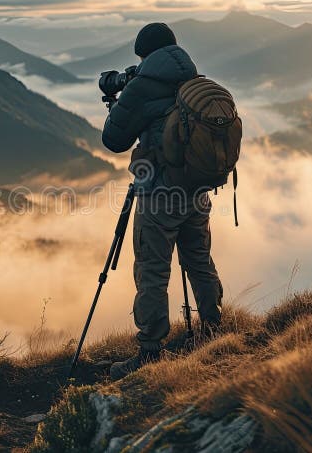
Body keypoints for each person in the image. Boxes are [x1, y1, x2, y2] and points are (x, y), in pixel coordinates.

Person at [101, 23, 224, 380]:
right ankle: (214, 331)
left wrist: (118, 104)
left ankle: (150, 351)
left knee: (152, 270)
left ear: (144, 54)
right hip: (196, 190)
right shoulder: (194, 80)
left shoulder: (142, 86)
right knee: (198, 259)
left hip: (159, 194)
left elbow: (113, 139)